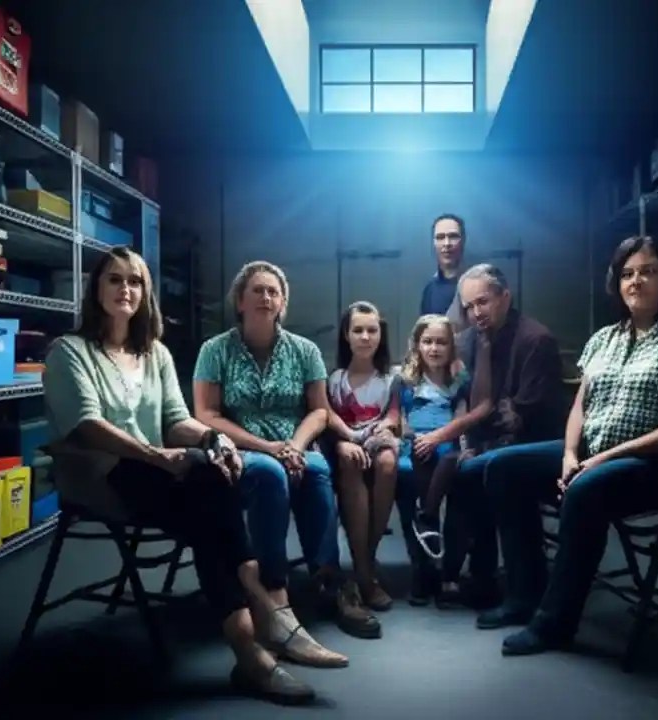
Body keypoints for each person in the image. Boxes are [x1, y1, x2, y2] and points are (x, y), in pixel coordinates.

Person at [42, 247, 318, 705]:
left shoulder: (156, 354)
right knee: (208, 506)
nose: (124, 289)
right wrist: (158, 455)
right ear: (97, 288)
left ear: (146, 293)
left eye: (134, 281)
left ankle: (252, 649)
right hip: (98, 475)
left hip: (155, 471)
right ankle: (266, 613)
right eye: (114, 279)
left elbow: (176, 418)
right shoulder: (69, 352)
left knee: (212, 483)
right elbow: (87, 426)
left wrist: (213, 441)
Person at [484, 236, 658, 656]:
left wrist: (600, 460)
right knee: (503, 468)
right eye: (628, 273)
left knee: (586, 489)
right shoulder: (604, 339)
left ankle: (554, 623)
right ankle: (525, 594)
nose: (637, 281)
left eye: (649, 271)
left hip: (655, 465)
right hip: (591, 454)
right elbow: (580, 406)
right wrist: (570, 456)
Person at [192, 260, 350, 666]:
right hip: (241, 449)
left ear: (283, 303)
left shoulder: (305, 350)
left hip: (294, 447)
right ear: (240, 301)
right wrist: (268, 447)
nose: (266, 297)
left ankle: (328, 580)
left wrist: (295, 446)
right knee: (267, 472)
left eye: (273, 292)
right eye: (257, 290)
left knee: (317, 470)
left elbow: (320, 412)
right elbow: (206, 415)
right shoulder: (215, 350)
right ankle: (273, 592)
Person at [451, 263, 567, 612]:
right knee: (455, 467)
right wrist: (465, 442)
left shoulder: (535, 340)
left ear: (505, 296)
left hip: (533, 444)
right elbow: (461, 396)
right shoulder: (469, 340)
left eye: (483, 302)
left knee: (488, 472)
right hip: (486, 440)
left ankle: (517, 588)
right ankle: (472, 575)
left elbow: (524, 417)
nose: (476, 313)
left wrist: (481, 450)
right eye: (469, 306)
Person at [398, 314, 492, 607]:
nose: (434, 348)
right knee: (405, 475)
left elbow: (462, 418)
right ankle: (421, 569)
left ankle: (448, 567)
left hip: (447, 446)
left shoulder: (458, 380)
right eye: (427, 342)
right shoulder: (406, 380)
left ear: (451, 347)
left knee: (454, 462)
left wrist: (462, 445)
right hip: (415, 446)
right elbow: (399, 420)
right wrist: (415, 438)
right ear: (417, 345)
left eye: (441, 342)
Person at [323, 301, 401, 638]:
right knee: (350, 460)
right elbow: (329, 418)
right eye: (358, 330)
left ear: (381, 335)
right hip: (345, 444)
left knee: (386, 461)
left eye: (372, 330)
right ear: (346, 335)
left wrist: (386, 428)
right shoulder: (335, 379)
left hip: (377, 443)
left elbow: (395, 416)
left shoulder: (391, 377)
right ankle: (366, 576)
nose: (365, 336)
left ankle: (363, 563)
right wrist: (345, 440)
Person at [419, 213, 468, 330]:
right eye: (440, 237)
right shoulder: (429, 290)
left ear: (463, 240)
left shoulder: (479, 285)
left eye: (453, 236)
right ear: (433, 243)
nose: (447, 243)